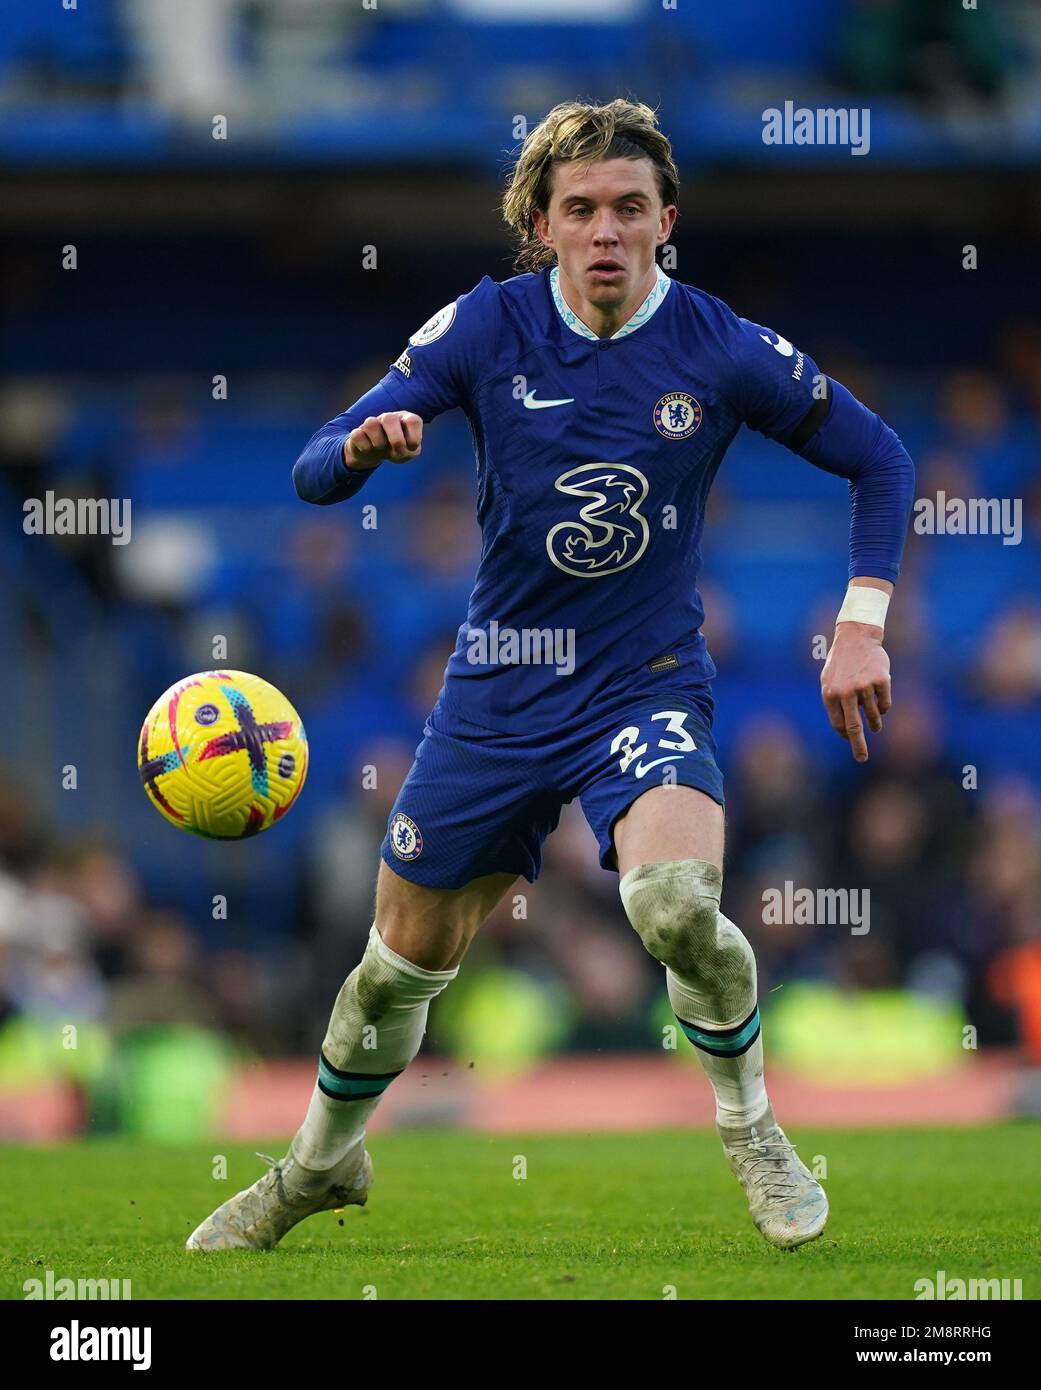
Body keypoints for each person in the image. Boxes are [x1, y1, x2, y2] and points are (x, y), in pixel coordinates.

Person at [187, 98, 914, 1254]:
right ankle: (316, 1167)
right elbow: (313, 465)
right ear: (542, 224)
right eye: (582, 209)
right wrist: (365, 447)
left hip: (646, 680)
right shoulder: (484, 327)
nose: (609, 230)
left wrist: (863, 622)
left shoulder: (720, 344)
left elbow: (879, 456)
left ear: (666, 220)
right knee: (394, 972)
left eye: (632, 208)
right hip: (499, 691)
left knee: (676, 907)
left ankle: (756, 1130)